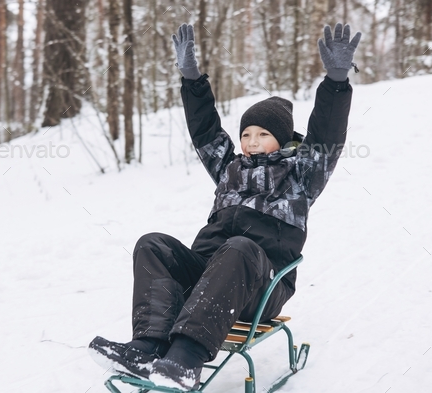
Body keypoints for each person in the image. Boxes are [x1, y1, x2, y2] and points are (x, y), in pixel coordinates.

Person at [89, 22, 362, 390]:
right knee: (152, 243)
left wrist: (336, 82)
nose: (251, 141)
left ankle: (185, 359)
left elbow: (327, 137)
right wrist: (191, 78)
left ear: (280, 140)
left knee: (239, 247)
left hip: (261, 287)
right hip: (209, 278)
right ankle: (148, 345)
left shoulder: (300, 176)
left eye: (263, 134)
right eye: (246, 134)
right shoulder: (229, 169)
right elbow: (205, 132)